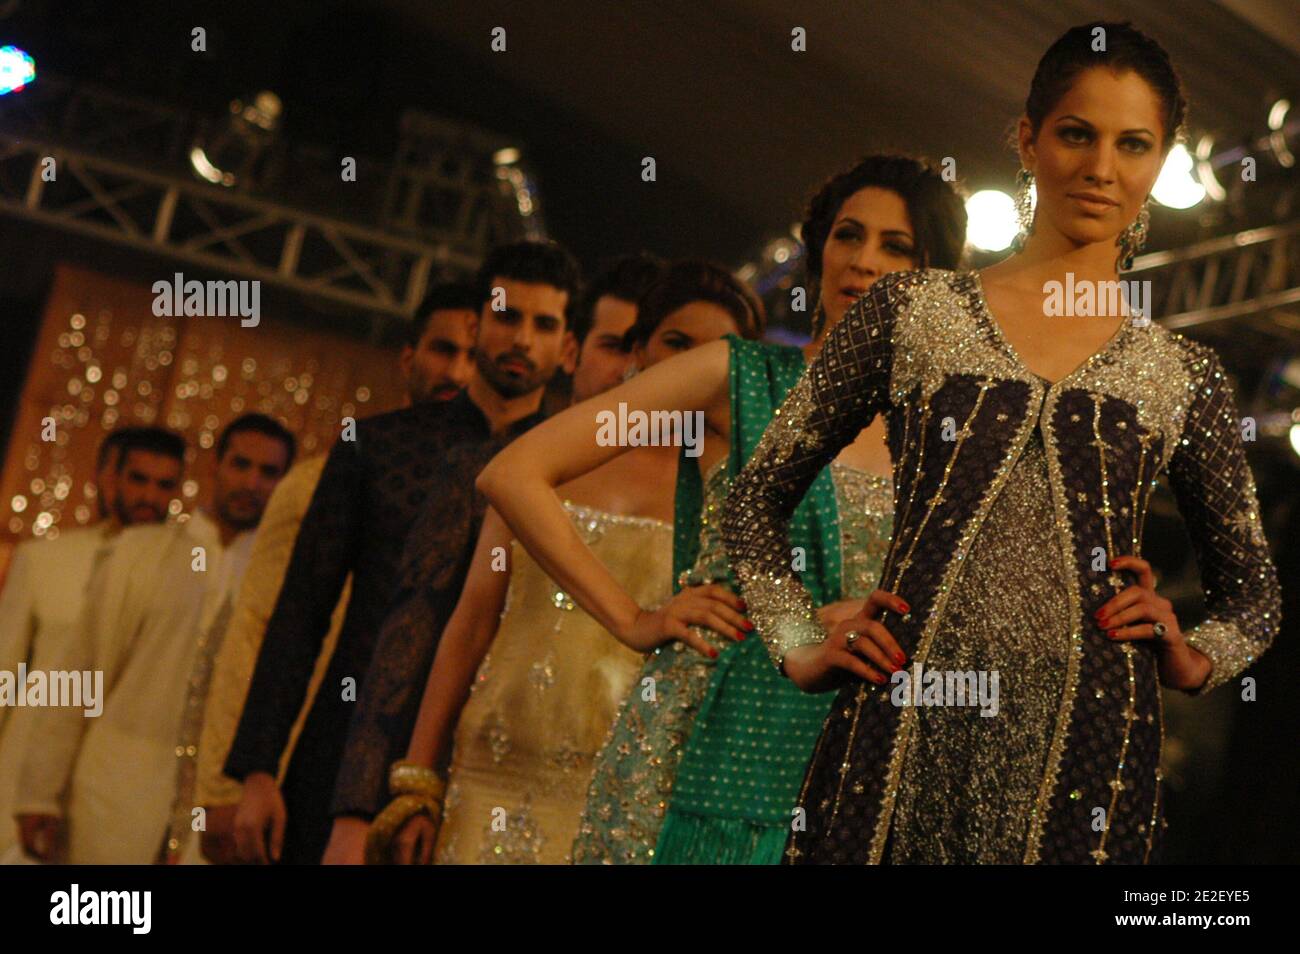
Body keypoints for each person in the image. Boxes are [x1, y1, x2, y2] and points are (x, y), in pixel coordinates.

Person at [722, 21, 1282, 865]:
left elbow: (1256, 597)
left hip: (1090, 753)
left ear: (1161, 163)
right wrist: (799, 643)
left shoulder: (1181, 375)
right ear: (1026, 139)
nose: (1101, 169)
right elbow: (754, 499)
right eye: (1075, 135)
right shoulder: (914, 312)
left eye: (1133, 145)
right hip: (898, 732)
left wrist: (1193, 654)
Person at [477, 155, 966, 863]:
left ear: (936, 279)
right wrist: (635, 619)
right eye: (848, 236)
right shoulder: (736, 377)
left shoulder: (944, 431)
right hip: (696, 748)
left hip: (847, 765)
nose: (863, 262)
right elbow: (516, 472)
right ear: (819, 250)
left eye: (897, 247)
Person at [366, 259, 763, 865]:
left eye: (712, 354)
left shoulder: (737, 499)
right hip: (490, 770)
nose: (691, 368)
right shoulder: (547, 463)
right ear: (639, 352)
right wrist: (418, 779)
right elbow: (471, 622)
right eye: (676, 344)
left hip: (629, 788)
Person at [225, 241, 580, 864]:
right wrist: (256, 771)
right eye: (506, 316)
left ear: (567, 345)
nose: (522, 339)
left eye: (543, 325)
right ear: (477, 325)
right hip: (342, 743)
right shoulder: (376, 446)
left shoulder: (572, 470)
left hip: (484, 758)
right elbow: (300, 613)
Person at [320, 254, 667, 864]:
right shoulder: (512, 468)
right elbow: (424, 629)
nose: (633, 368)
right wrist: (373, 802)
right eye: (616, 345)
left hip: (627, 805)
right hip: (483, 784)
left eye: (655, 349)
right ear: (574, 352)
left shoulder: (715, 493)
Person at [190, 282, 478, 864]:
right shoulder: (328, 473)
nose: (458, 371)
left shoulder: (513, 478)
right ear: (407, 358)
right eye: (443, 351)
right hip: (319, 748)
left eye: (473, 356)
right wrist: (233, 782)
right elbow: (260, 627)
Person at [15, 415, 294, 864]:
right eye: (241, 465)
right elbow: (78, 673)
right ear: (215, 467)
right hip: (113, 791)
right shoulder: (139, 552)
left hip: (215, 806)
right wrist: (39, 794)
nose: (251, 482)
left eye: (268, 472)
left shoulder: (281, 578)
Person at [0, 427, 181, 861]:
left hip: (112, 784)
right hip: (23, 760)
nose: (149, 497)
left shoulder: (180, 576)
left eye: (164, 485)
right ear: (108, 477)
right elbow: (5, 672)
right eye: (138, 480)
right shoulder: (47, 559)